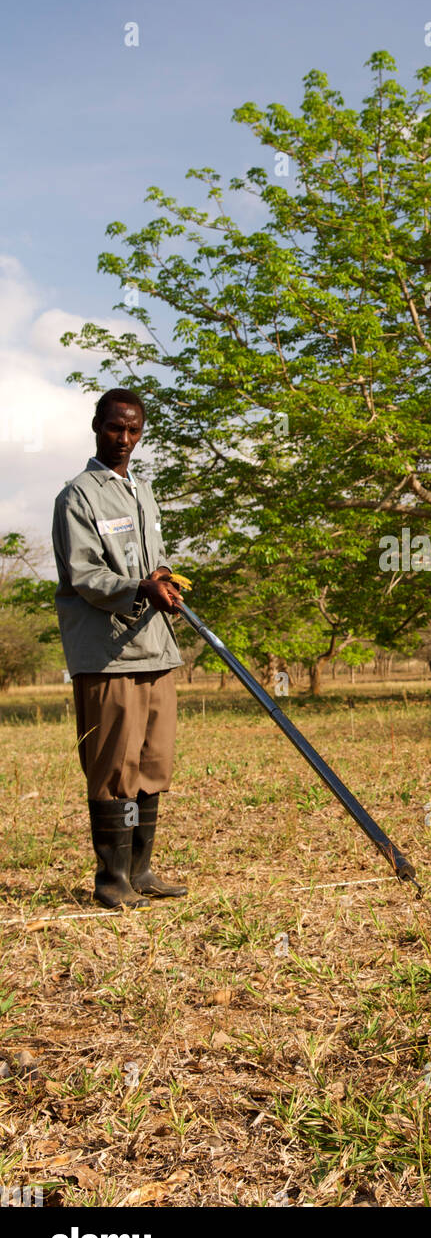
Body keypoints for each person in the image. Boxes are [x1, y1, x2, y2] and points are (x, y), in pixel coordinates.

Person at [52, 389, 187, 909]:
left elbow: (149, 560)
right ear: (96, 425)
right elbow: (86, 576)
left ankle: (140, 871)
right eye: (115, 428)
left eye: (133, 430)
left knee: (153, 763)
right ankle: (112, 881)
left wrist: (161, 579)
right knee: (115, 768)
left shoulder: (143, 493)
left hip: (156, 649)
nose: (124, 440)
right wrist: (138, 588)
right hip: (107, 656)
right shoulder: (77, 497)